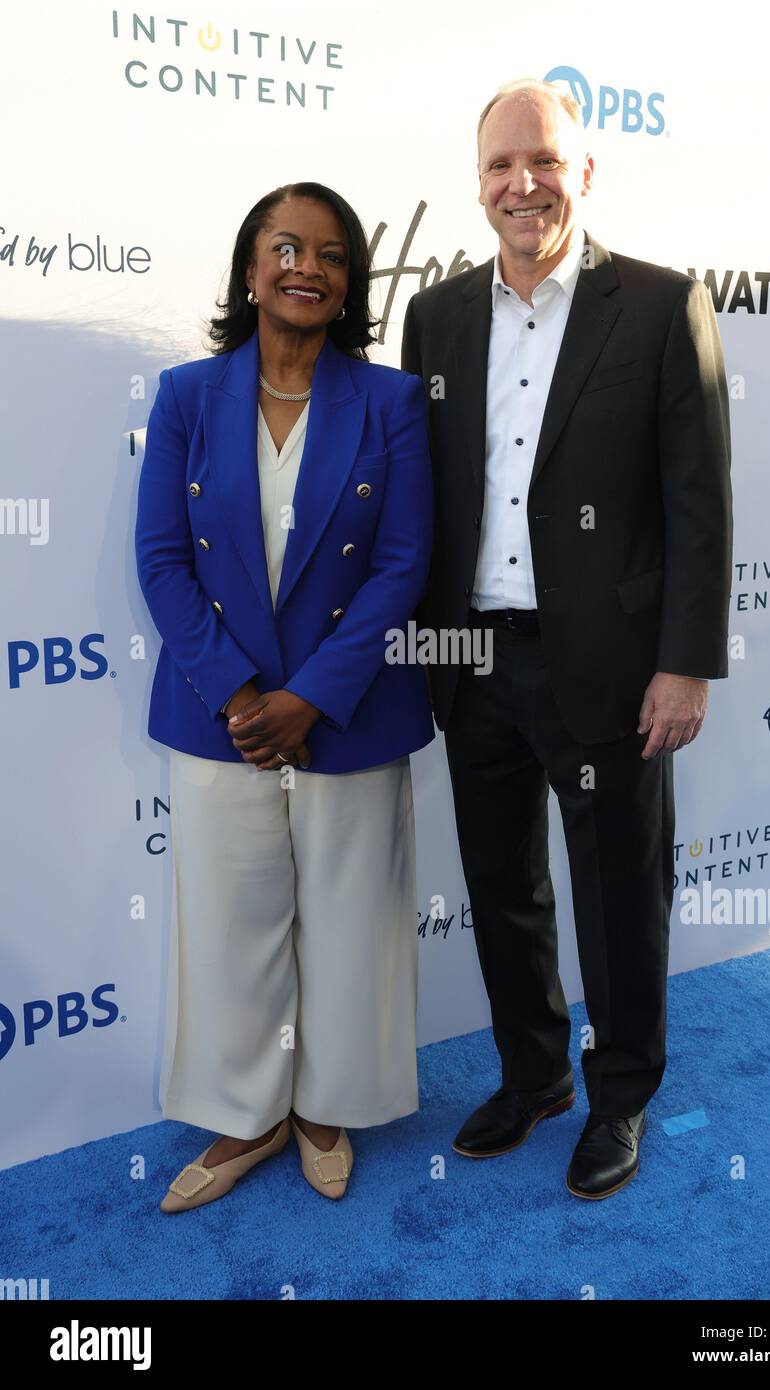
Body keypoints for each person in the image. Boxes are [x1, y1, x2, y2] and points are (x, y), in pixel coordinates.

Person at [401, 79, 732, 1199]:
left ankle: (621, 1092)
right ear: (477, 185)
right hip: (472, 660)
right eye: (500, 166)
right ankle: (533, 1072)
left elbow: (699, 501)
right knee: (502, 883)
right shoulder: (436, 317)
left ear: (582, 172)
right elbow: (431, 497)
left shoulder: (659, 304)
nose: (521, 183)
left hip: (611, 662)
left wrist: (684, 661)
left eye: (541, 160)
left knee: (617, 894)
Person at [135, 182, 434, 1210]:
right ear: (250, 268)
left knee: (351, 922)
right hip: (220, 718)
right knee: (229, 922)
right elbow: (162, 558)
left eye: (331, 254)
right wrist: (238, 693)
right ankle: (249, 1112)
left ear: (349, 282)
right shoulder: (184, 396)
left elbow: (402, 563)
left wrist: (309, 697)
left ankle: (325, 1107)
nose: (307, 266)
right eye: (285, 247)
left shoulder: (390, 401)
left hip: (347, 711)